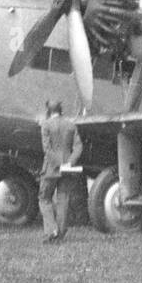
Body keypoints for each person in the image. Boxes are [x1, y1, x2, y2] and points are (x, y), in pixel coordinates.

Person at [40, 101, 83, 243]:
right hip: (68, 169)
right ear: (61, 110)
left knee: (44, 198)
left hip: (51, 168)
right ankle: (61, 233)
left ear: (48, 111)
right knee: (63, 199)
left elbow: (47, 149)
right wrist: (69, 162)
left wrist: (58, 163)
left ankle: (51, 230)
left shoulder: (45, 125)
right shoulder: (71, 125)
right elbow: (78, 147)